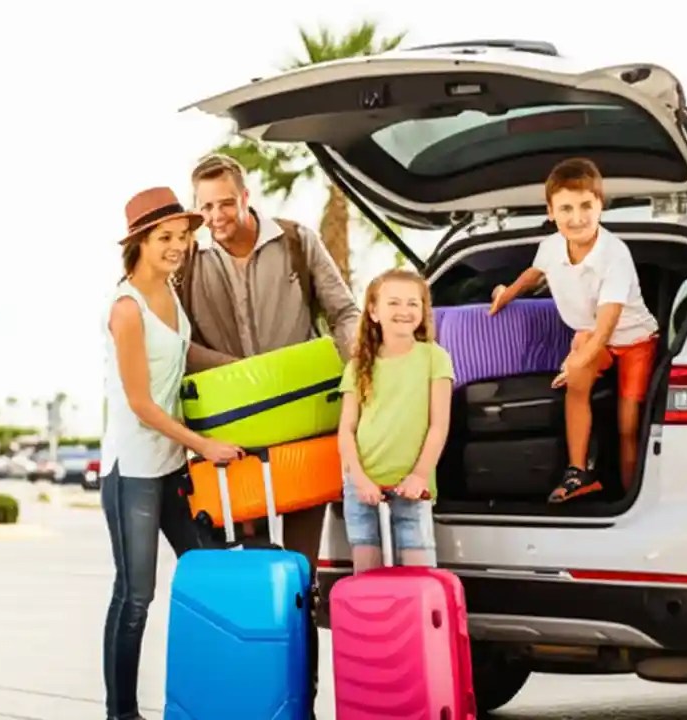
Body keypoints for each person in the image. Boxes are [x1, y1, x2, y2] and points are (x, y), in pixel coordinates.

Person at [100, 186, 243, 720]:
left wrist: (243, 374)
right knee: (135, 596)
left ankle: (215, 695)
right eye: (165, 237)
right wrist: (204, 445)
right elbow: (141, 403)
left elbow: (181, 364)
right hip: (133, 469)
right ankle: (122, 712)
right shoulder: (126, 308)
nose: (177, 246)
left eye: (183, 237)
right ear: (138, 242)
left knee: (204, 570)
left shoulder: (170, 295)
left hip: (170, 466)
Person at [177, 152, 361, 562]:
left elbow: (345, 313)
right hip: (234, 432)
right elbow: (174, 344)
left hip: (304, 421)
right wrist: (236, 372)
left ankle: (301, 625)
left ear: (245, 196)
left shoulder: (296, 241)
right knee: (250, 562)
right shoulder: (187, 261)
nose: (217, 215)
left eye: (226, 203)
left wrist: (358, 378)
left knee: (302, 564)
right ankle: (261, 627)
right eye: (206, 206)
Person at [489, 157, 659, 503]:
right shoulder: (551, 247)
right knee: (577, 385)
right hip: (592, 335)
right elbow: (534, 274)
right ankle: (578, 473)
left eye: (586, 206)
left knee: (628, 425)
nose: (577, 217)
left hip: (635, 341)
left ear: (601, 206)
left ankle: (630, 498)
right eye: (566, 208)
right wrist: (504, 294)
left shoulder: (615, 255)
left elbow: (606, 325)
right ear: (550, 212)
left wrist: (575, 363)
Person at [337, 268, 454, 574]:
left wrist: (419, 475)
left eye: (412, 304)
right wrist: (360, 479)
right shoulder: (358, 366)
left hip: (412, 485)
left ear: (423, 311)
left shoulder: (435, 358)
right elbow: (347, 430)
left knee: (420, 577)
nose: (404, 311)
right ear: (374, 312)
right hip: (362, 484)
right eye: (394, 303)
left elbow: (438, 425)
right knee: (367, 578)